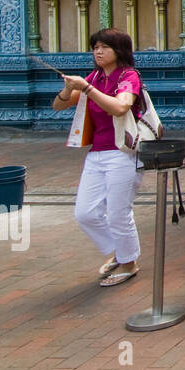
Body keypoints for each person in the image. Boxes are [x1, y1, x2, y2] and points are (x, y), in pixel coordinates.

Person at [52, 28, 145, 287]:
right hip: (96, 153)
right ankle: (120, 251)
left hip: (123, 152)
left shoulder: (128, 76)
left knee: (118, 212)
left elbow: (120, 107)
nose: (99, 52)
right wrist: (69, 88)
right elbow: (59, 105)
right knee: (85, 212)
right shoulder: (93, 77)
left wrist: (87, 89)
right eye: (95, 47)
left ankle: (129, 263)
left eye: (105, 47)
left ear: (120, 50)